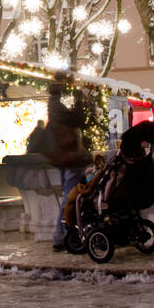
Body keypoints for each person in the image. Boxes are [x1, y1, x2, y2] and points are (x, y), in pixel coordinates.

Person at [43, 78, 89, 251]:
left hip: (66, 158)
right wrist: (79, 101)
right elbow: (77, 119)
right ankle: (62, 235)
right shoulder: (56, 107)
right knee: (70, 198)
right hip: (70, 158)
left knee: (70, 196)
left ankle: (65, 233)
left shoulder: (54, 106)